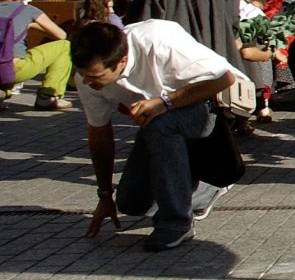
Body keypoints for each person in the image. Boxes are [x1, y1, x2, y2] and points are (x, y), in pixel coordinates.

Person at [71, 19, 239, 251]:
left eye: (96, 76)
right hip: (156, 117)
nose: (88, 82)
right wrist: (104, 195)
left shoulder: (156, 39)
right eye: (83, 75)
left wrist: (164, 102)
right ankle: (205, 189)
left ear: (121, 61)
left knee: (159, 123)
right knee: (130, 202)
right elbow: (100, 135)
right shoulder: (86, 79)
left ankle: (176, 223)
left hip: (201, 106)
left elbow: (224, 79)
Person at [0, 0, 73, 109]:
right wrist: (33, 24)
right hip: (15, 67)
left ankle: (2, 92)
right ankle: (48, 95)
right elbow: (61, 35)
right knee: (64, 46)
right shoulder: (28, 10)